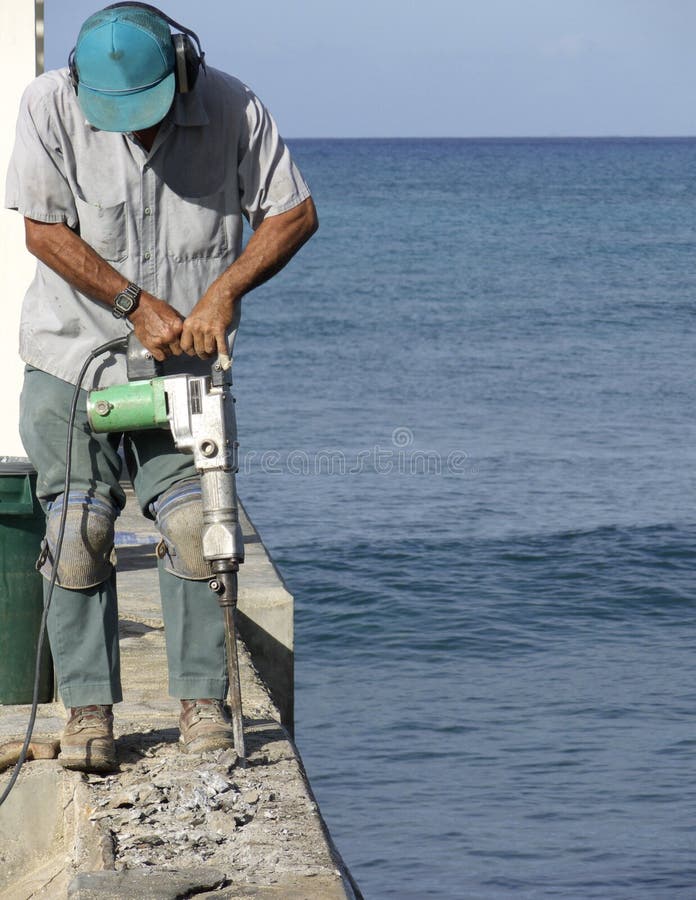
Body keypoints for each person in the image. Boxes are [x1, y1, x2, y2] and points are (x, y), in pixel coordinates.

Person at [4, 3, 317, 772]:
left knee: (194, 534)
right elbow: (42, 231)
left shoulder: (235, 106)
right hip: (72, 361)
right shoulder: (47, 104)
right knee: (77, 537)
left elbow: (294, 213)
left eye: (146, 117)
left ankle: (203, 708)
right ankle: (86, 717)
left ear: (182, 73)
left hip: (184, 377)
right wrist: (133, 305)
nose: (135, 135)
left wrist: (227, 290)